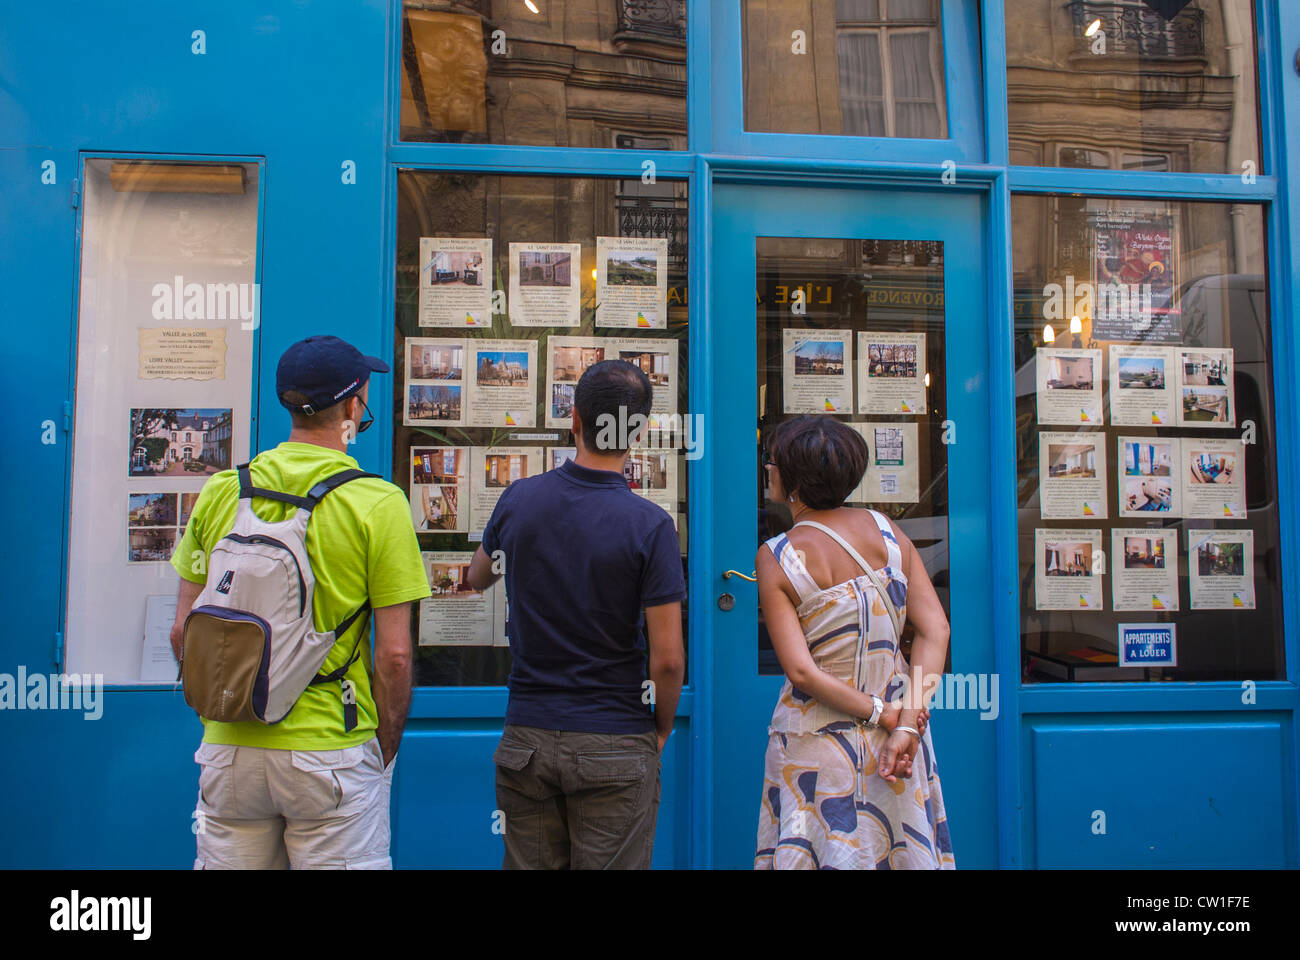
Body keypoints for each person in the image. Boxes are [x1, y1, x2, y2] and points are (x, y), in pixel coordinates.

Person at [169, 335, 431, 869]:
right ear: (356, 403)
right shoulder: (377, 502)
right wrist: (382, 749)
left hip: (230, 745)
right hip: (329, 748)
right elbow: (395, 657)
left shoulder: (224, 489)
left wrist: (228, 708)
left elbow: (182, 632)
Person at [467, 359, 685, 870]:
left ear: (575, 422)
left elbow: (478, 578)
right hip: (616, 736)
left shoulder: (520, 499)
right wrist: (661, 729)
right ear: (641, 430)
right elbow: (669, 660)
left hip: (527, 739)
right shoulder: (650, 526)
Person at [754, 415, 954, 870]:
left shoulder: (778, 556)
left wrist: (881, 714)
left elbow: (802, 671)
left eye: (772, 463)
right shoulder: (886, 531)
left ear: (792, 482)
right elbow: (935, 629)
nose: (768, 471)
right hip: (899, 741)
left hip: (816, 743)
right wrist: (904, 724)